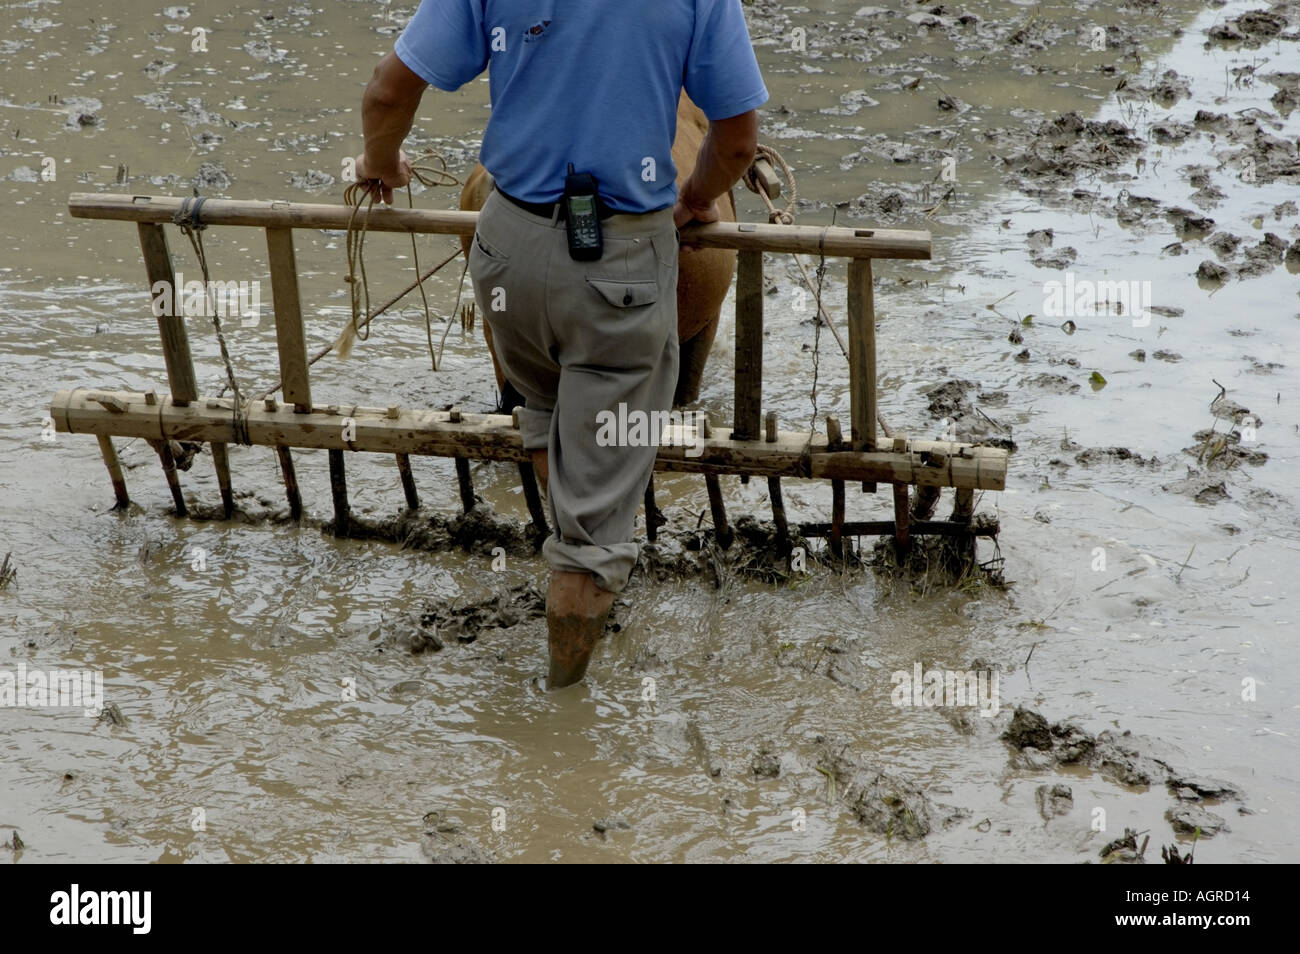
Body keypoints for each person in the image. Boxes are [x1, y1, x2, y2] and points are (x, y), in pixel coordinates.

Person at [355, 1, 767, 688]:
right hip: (621, 266)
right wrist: (697, 197)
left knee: (542, 408)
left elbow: (388, 87)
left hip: (506, 249)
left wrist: (380, 160)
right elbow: (738, 144)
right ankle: (563, 701)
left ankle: (566, 527)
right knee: (596, 537)